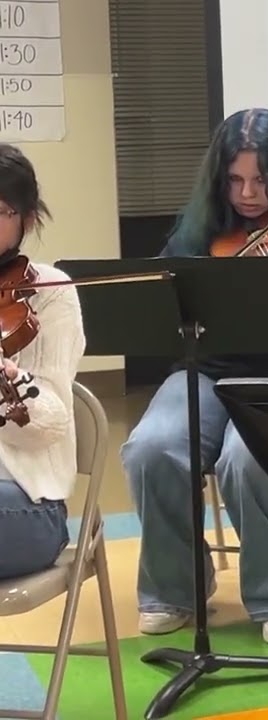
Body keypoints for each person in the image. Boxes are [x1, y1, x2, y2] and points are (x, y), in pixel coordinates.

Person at [121, 108, 268, 645]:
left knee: (248, 459)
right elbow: (164, 299)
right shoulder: (198, 232)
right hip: (207, 370)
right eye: (235, 180)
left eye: (262, 179)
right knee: (150, 447)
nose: (248, 194)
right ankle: (176, 584)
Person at [0, 144, 86, 581]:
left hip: (29, 505)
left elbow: (52, 423)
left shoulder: (50, 292)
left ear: (27, 219)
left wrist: (10, 380)